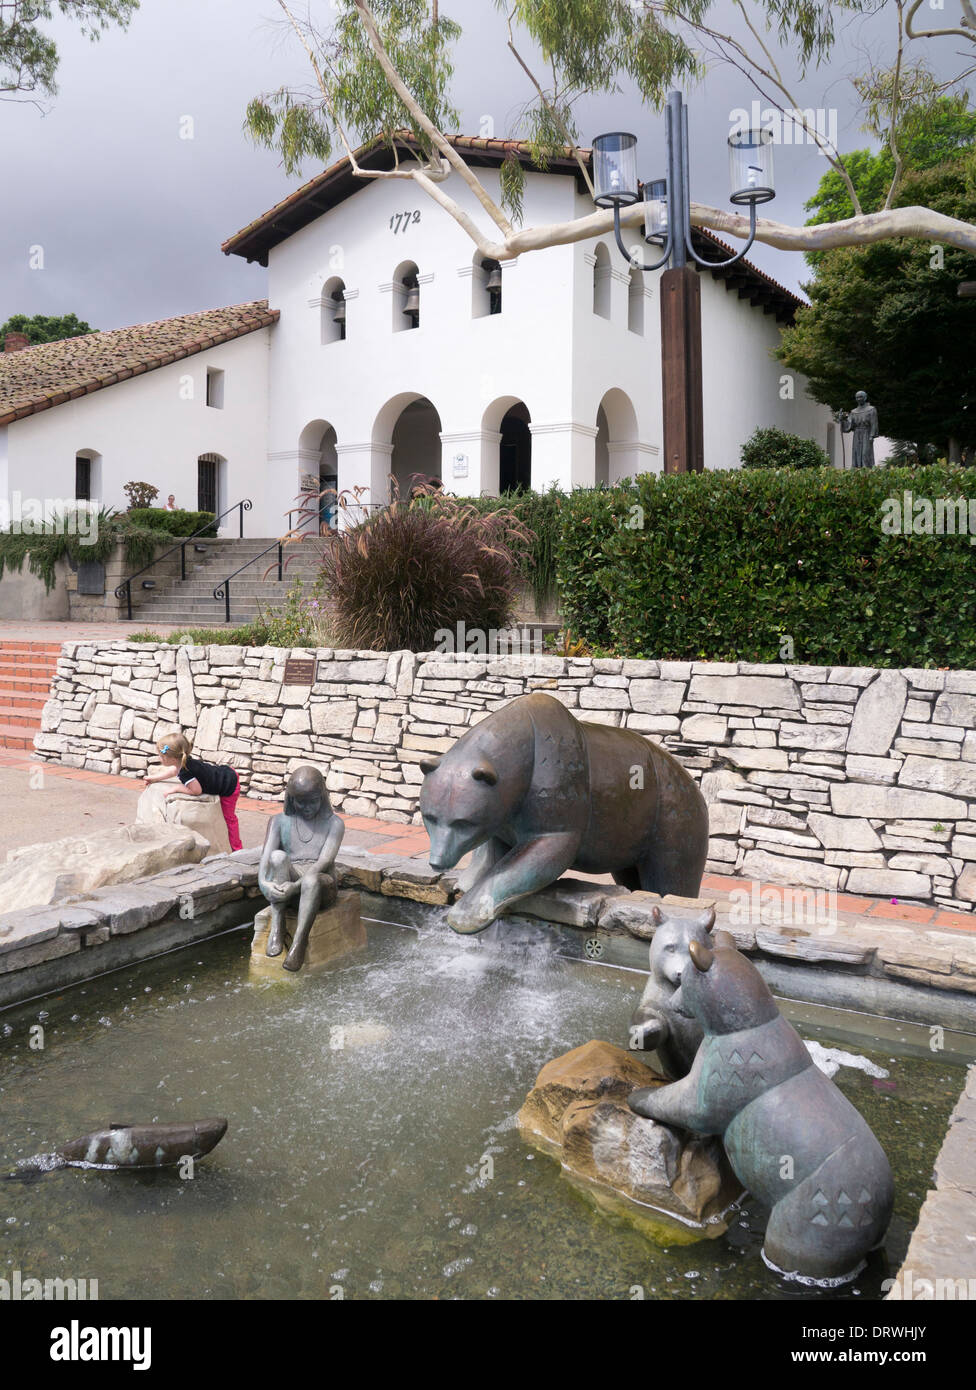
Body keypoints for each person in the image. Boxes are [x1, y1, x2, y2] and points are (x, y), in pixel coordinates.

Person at [257, 765, 345, 972]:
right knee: (278, 857)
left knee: (311, 880)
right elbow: (265, 860)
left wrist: (294, 887)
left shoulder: (335, 824)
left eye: (312, 802)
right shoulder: (278, 821)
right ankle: (277, 925)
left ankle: (299, 942)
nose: (307, 808)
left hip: (320, 887)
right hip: (288, 884)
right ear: (290, 798)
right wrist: (264, 884)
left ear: (322, 797)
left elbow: (323, 863)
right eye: (300, 802)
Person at [145, 731, 242, 852]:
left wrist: (177, 788)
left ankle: (237, 848)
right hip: (225, 772)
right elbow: (173, 771)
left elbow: (196, 790)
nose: (159, 758)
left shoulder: (186, 772)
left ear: (172, 759)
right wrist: (154, 778)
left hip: (228, 785)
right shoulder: (184, 762)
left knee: (229, 818)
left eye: (161, 756)